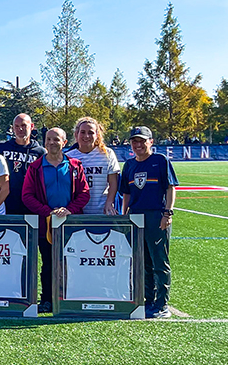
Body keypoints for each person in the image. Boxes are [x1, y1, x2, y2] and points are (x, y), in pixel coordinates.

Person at [21, 128, 90, 312]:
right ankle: (47, 300)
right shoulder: (35, 167)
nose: (52, 143)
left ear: (64, 142)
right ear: (44, 142)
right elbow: (27, 196)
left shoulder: (75, 165)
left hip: (71, 225)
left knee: (73, 262)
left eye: (56, 139)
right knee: (49, 264)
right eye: (48, 139)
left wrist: (70, 210)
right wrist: (48, 212)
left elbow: (84, 193)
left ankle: (72, 297)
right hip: (47, 226)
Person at [118, 126, 178, 319]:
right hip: (135, 217)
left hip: (156, 216)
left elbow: (170, 188)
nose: (138, 145)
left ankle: (162, 304)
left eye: (142, 141)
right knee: (143, 262)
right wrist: (124, 215)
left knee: (159, 261)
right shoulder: (128, 165)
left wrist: (167, 213)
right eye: (134, 141)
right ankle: (148, 301)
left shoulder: (160, 161)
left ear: (150, 142)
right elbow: (126, 194)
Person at [66, 117, 120, 215]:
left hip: (102, 210)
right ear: (76, 134)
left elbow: (113, 182)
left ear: (97, 135)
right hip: (77, 212)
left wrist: (109, 203)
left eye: (91, 132)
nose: (86, 136)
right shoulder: (69, 156)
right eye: (82, 132)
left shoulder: (107, 154)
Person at [0, 113, 45, 215]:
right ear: (13, 128)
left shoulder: (40, 152)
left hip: (31, 203)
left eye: (23, 126)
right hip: (7, 202)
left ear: (31, 126)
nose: (20, 129)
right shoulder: (1, 148)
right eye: (17, 126)